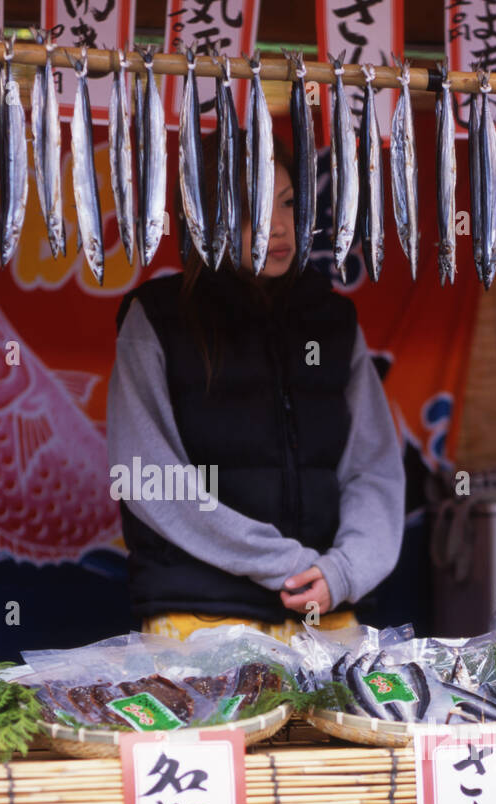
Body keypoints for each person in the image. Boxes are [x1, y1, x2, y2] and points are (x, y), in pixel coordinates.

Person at [108, 136, 405, 643]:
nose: (279, 226)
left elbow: (372, 468)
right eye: (251, 209)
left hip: (324, 608)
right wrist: (281, 562)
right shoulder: (158, 318)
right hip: (200, 614)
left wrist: (346, 569)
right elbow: (147, 478)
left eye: (288, 202)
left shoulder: (331, 320)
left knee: (360, 725)